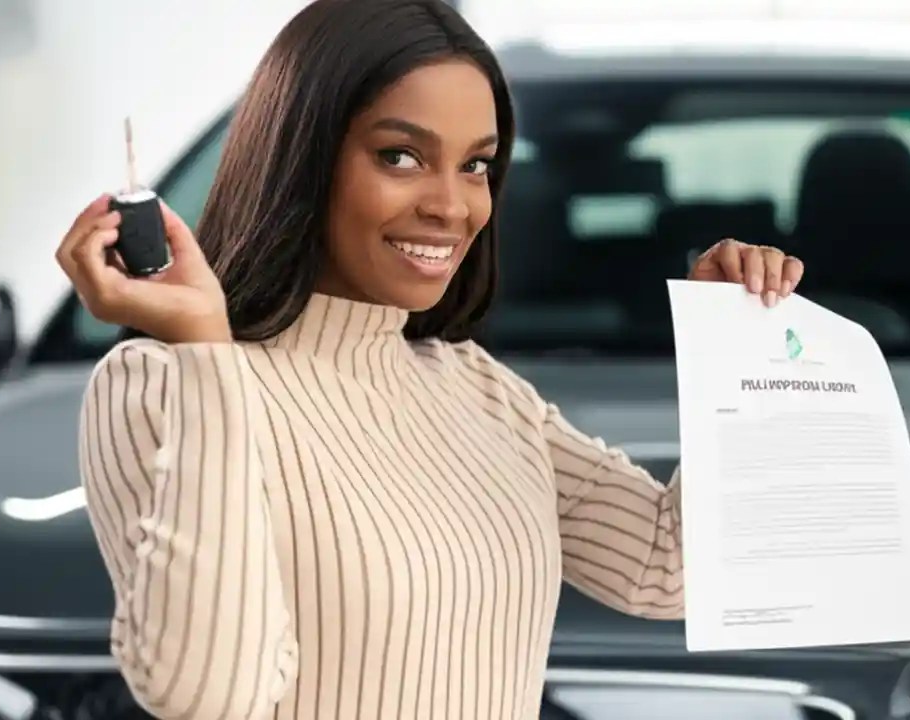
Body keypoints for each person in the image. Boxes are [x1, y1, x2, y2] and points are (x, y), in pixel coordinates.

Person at [56, 0, 805, 718]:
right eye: (402, 156)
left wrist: (731, 351)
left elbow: (667, 569)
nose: (452, 206)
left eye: (476, 165)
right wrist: (204, 348)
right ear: (303, 160)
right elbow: (211, 693)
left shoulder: (474, 386)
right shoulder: (163, 384)